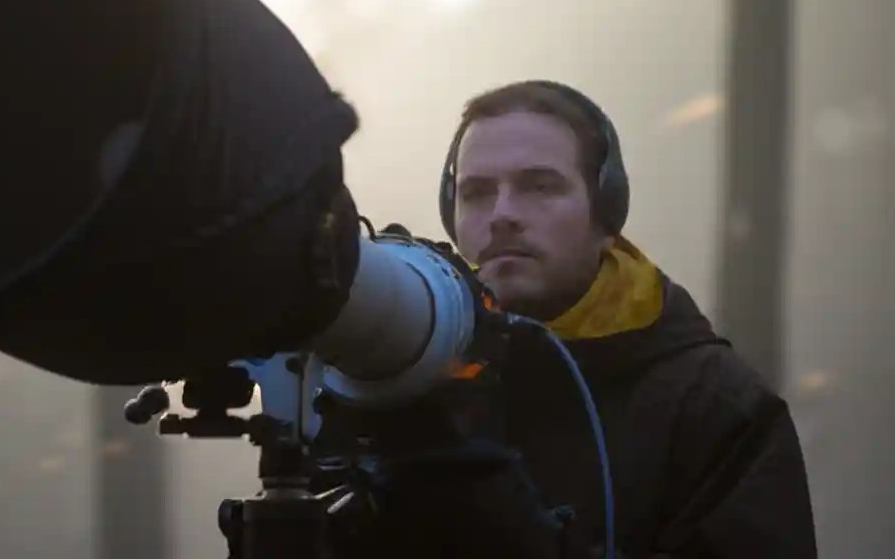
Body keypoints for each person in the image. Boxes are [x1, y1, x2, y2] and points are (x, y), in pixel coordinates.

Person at [313, 79, 818, 559]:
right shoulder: (395, 376)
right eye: (477, 192)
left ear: (606, 215)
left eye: (539, 186)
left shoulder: (717, 405)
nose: (503, 214)